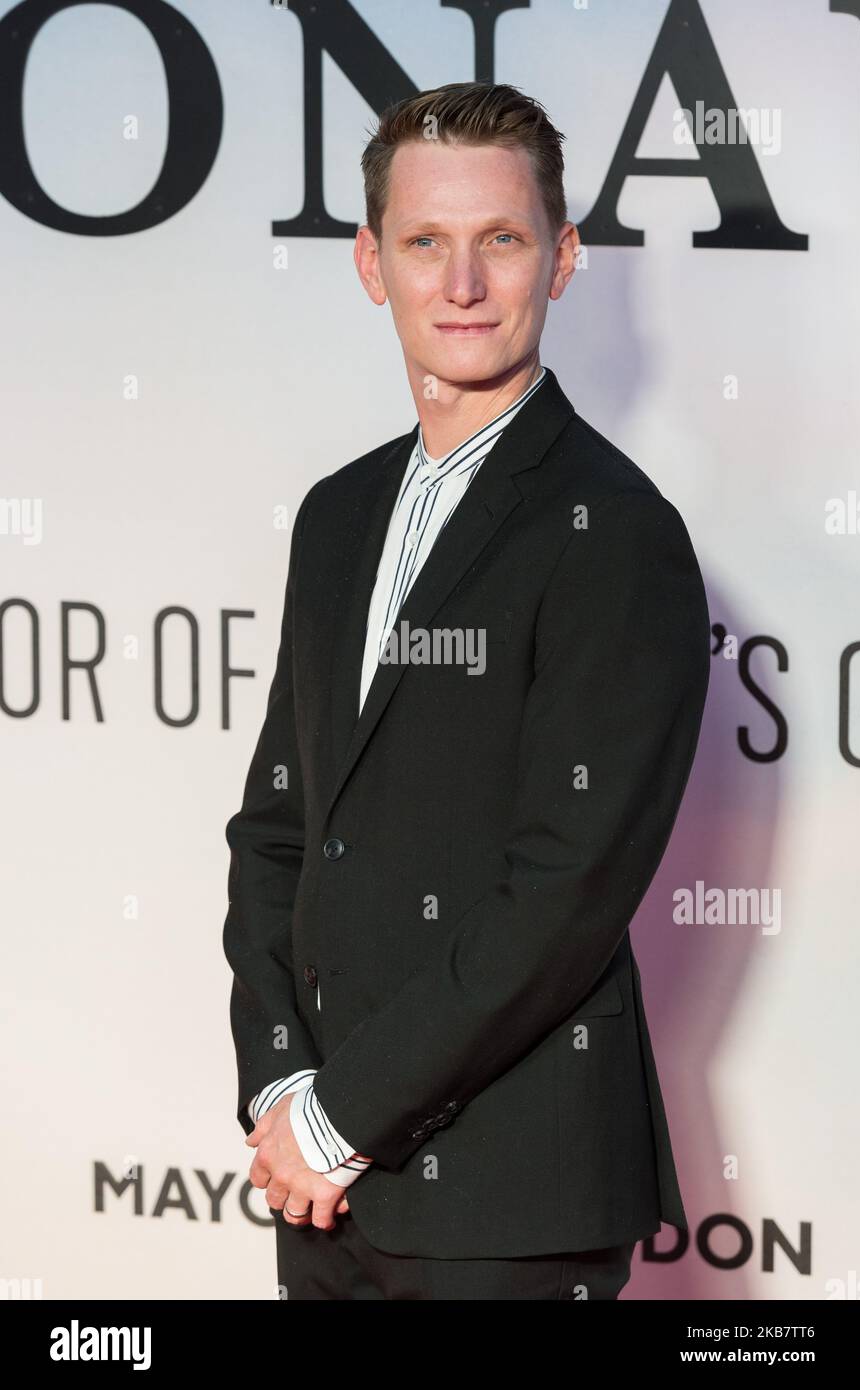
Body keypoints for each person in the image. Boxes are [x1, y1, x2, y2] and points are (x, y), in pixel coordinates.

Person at [223, 80, 709, 1301]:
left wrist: (338, 1118)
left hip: (511, 1208)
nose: (462, 283)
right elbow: (280, 832)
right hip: (325, 1198)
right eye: (425, 242)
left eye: (500, 239)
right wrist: (281, 1086)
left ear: (563, 258)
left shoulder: (615, 533)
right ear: (369, 264)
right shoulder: (337, 517)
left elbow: (565, 896)